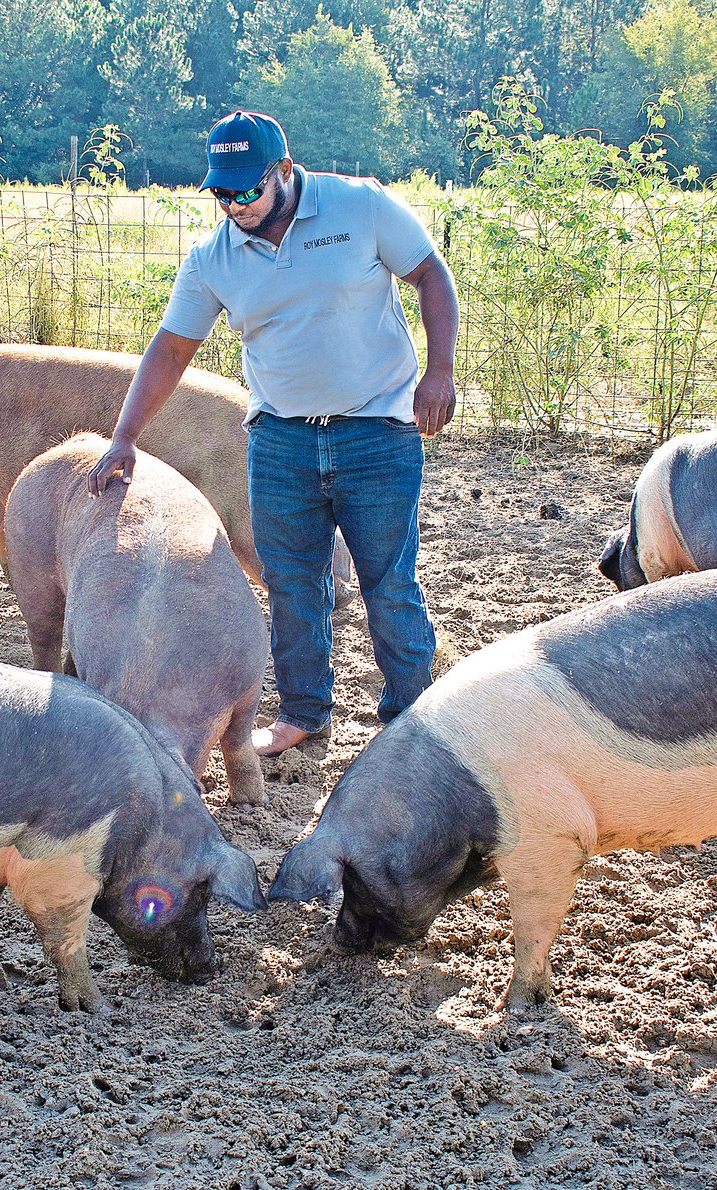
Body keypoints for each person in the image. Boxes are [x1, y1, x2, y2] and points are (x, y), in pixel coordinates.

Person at [87, 110, 459, 758]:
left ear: (283, 172)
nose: (233, 205)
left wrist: (440, 371)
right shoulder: (214, 259)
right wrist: (124, 436)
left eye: (245, 190)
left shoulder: (360, 206)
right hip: (281, 441)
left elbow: (431, 274)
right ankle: (304, 713)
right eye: (220, 193)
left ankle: (412, 720)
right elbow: (170, 350)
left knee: (387, 582)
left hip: (376, 431)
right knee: (290, 582)